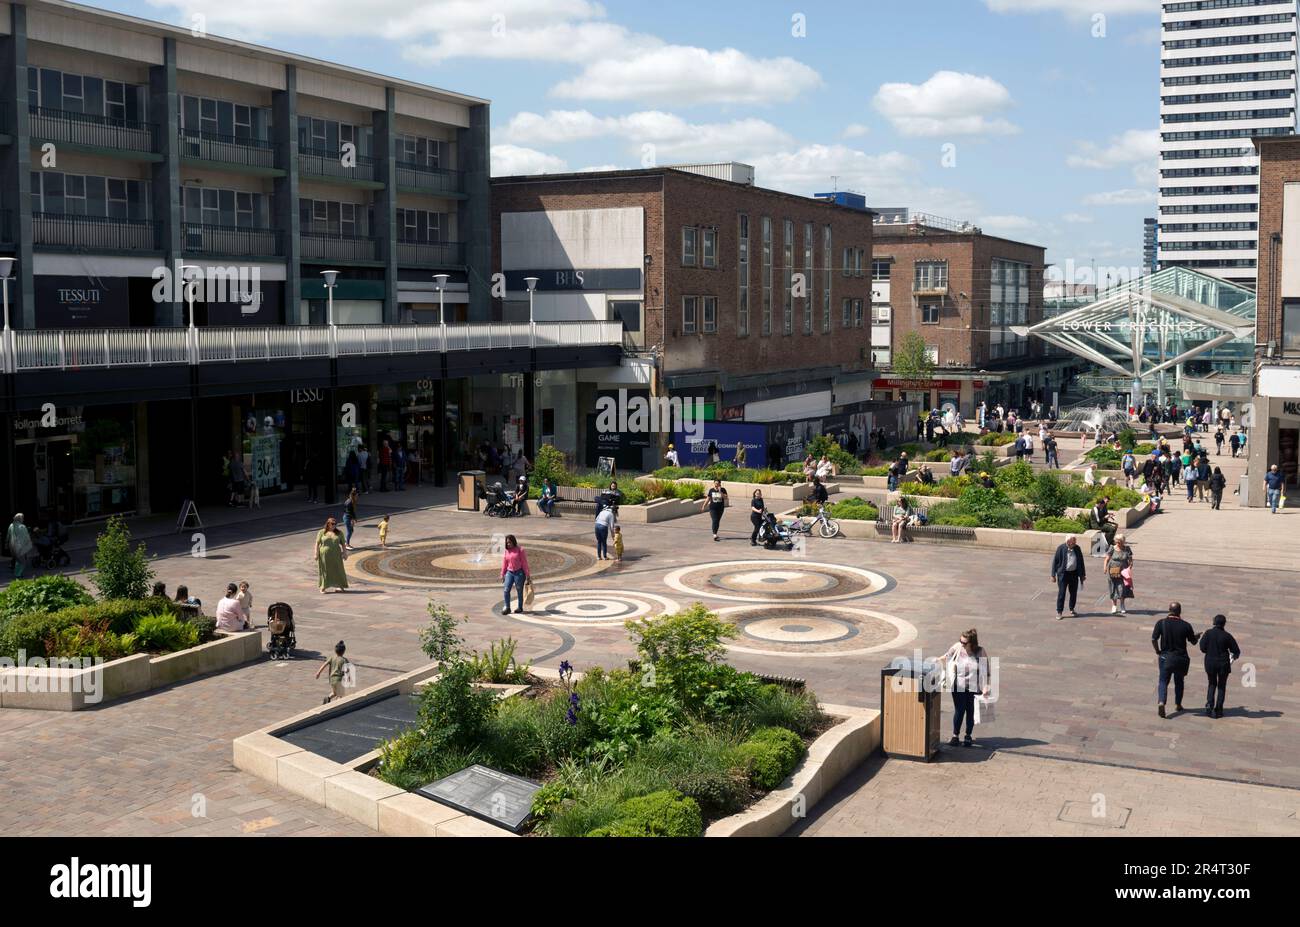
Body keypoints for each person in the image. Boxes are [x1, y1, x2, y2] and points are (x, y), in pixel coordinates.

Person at [936, 629, 991, 748]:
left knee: (970, 711)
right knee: (959, 710)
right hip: (958, 685)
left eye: (965, 643)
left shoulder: (980, 652)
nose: (962, 644)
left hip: (973, 686)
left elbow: (986, 670)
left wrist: (986, 685)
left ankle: (968, 736)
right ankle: (955, 736)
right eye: (960, 641)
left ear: (972, 643)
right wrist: (937, 660)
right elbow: (947, 655)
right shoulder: (957, 647)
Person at [1151, 602, 1199, 718]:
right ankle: (1178, 704)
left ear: (1169, 610)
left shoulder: (1161, 623)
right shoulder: (1186, 625)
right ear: (1180, 611)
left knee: (1163, 681)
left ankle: (1161, 702)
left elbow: (1154, 639)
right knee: (1179, 681)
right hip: (1180, 658)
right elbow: (1193, 642)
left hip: (1165, 657)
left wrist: (1157, 650)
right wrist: (1197, 637)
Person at [1199, 614, 1240, 719]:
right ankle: (1219, 709)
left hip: (1210, 663)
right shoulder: (1227, 636)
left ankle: (1209, 705)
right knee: (1221, 686)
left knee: (1212, 683)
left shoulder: (1208, 633)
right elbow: (1236, 651)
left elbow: (1202, 648)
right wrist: (1233, 657)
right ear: (1224, 624)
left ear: (1214, 622)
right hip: (1223, 664)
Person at [1050, 535, 1086, 619]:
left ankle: (1072, 609)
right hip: (1063, 574)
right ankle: (1059, 612)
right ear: (1068, 542)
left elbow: (1081, 561)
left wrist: (1082, 575)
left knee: (1073, 593)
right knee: (1061, 593)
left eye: (1075, 541)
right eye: (1074, 542)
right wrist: (1053, 575)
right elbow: (1055, 562)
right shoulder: (1061, 548)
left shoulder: (1077, 548)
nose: (1075, 543)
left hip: (1074, 574)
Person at [314, 517, 349, 593]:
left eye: (335, 524)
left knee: (338, 569)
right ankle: (323, 587)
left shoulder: (339, 533)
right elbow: (317, 543)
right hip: (324, 555)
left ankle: (340, 586)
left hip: (336, 554)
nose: (334, 525)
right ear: (328, 524)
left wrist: (345, 553)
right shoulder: (321, 532)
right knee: (325, 570)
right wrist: (316, 554)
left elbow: (343, 544)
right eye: (332, 524)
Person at [1103, 533, 1134, 615]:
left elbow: (1130, 559)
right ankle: (1114, 605)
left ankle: (1122, 605)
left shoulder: (1127, 549)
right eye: (1117, 542)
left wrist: (1130, 567)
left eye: (1120, 542)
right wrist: (1105, 568)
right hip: (1113, 570)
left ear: (1123, 541)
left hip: (1123, 571)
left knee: (1122, 588)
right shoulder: (1112, 548)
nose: (1118, 543)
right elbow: (1107, 559)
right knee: (1113, 587)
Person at [500, 534, 530, 613]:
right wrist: (502, 574)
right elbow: (504, 563)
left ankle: (520, 607)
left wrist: (527, 575)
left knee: (519, 590)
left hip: (519, 573)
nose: (508, 544)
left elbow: (524, 563)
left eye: (510, 542)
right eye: (507, 543)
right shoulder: (506, 551)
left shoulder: (520, 550)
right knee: (506, 590)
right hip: (509, 573)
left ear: (513, 541)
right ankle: (507, 608)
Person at [6, 513, 33, 579]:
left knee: (18, 561)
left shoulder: (11, 525)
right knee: (22, 562)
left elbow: (8, 536)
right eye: (22, 518)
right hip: (20, 546)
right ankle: (18, 575)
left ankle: (18, 573)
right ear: (20, 519)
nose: (23, 519)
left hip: (12, 546)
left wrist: (6, 543)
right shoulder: (22, 526)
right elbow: (26, 537)